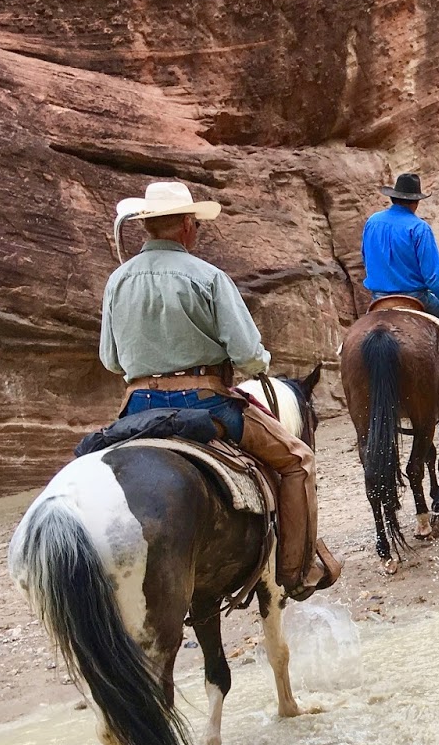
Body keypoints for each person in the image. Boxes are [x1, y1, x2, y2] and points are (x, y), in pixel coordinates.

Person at [100, 181, 340, 595]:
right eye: (195, 223)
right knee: (298, 461)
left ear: (149, 227)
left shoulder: (117, 281)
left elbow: (111, 360)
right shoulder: (208, 277)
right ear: (187, 226)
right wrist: (260, 362)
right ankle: (296, 572)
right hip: (205, 404)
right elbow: (247, 354)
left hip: (138, 408)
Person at [360, 173, 439, 412]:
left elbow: (366, 259)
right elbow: (433, 278)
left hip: (379, 299)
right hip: (415, 297)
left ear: (394, 198)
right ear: (415, 202)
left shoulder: (372, 222)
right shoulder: (419, 228)